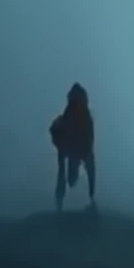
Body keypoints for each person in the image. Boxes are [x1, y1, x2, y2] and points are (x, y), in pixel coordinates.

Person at [49, 82, 96, 211]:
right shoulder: (82, 115)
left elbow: (88, 137)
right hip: (73, 146)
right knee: (65, 172)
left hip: (73, 146)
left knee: (63, 173)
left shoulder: (79, 115)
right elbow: (89, 138)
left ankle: (59, 204)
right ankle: (90, 200)